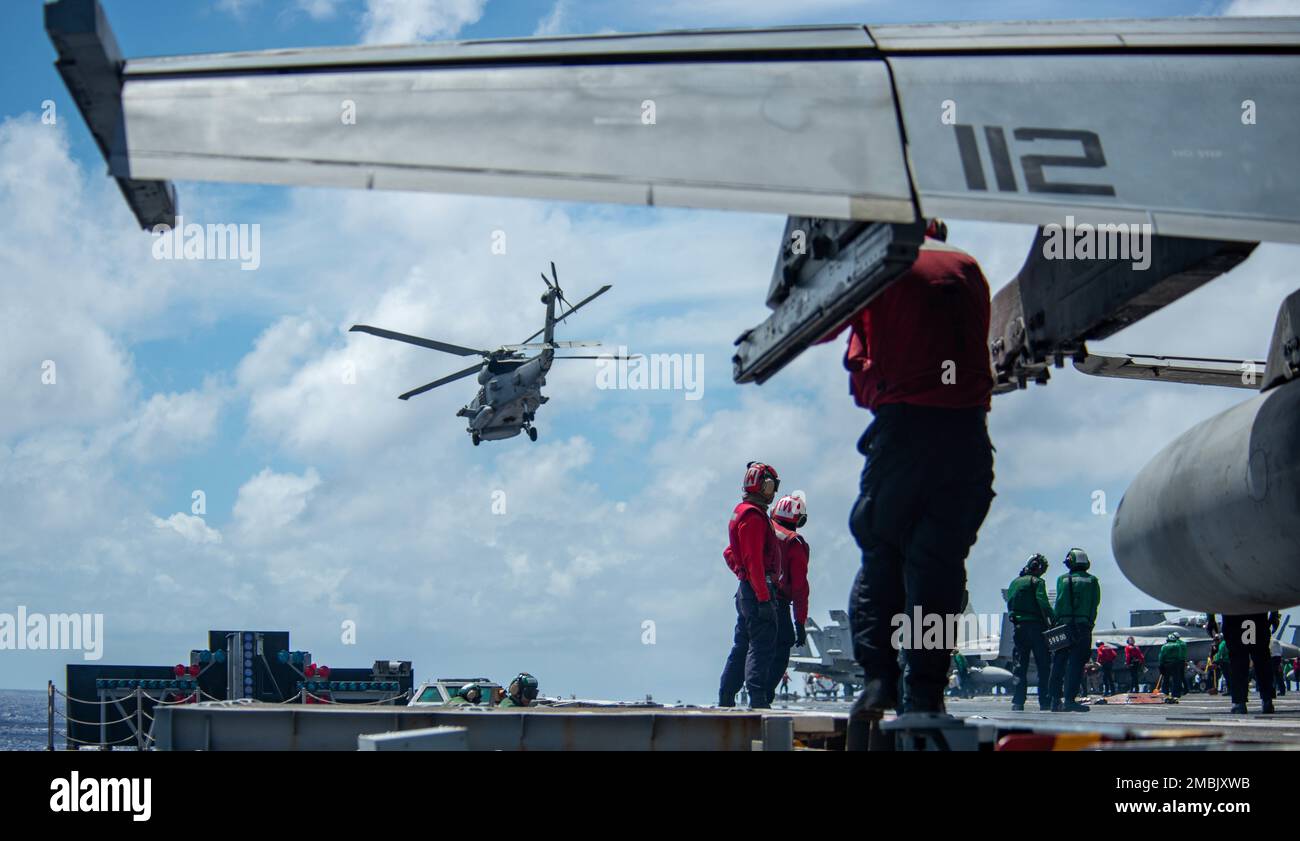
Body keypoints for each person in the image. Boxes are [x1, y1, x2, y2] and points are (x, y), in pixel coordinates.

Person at [817, 218, 996, 726]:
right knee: (938, 568)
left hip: (905, 432)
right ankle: (927, 694)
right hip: (968, 437)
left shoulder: (883, 263)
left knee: (882, 552)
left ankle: (879, 682)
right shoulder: (966, 267)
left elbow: (818, 321)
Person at [718, 462, 783, 709]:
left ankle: (726, 696)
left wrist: (742, 575)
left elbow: (731, 554)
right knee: (762, 646)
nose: (774, 491)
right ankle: (757, 700)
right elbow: (753, 560)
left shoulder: (743, 512)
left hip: (748, 589)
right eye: (773, 486)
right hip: (757, 591)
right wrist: (764, 596)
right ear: (764, 485)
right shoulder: (754, 517)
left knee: (742, 645)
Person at [765, 492, 811, 705]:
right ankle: (763, 696)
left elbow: (730, 553)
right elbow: (800, 587)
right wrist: (800, 623)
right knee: (784, 644)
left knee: (749, 645)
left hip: (751, 595)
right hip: (779, 602)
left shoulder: (763, 528)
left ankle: (729, 696)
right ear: (798, 519)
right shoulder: (794, 542)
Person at [1046, 548, 1101, 712]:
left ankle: (1055, 701)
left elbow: (1060, 603)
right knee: (1076, 665)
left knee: (1058, 663)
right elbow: (1094, 604)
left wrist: (1056, 623)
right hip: (1083, 626)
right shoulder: (1092, 581)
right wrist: (1090, 622)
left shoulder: (1062, 579)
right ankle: (1070, 700)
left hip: (1063, 625)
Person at [1005, 553, 1054, 711]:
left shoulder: (1014, 583)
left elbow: (1010, 604)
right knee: (1043, 665)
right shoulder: (1037, 582)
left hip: (1019, 628)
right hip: (1037, 628)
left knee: (1020, 666)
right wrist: (1053, 621)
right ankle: (1045, 702)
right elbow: (1043, 604)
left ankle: (1018, 701)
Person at [1209, 612, 1277, 714]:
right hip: (1258, 615)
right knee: (1262, 661)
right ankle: (1267, 701)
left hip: (1233, 618)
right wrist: (1274, 615)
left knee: (1238, 663)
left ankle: (1239, 703)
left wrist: (1210, 619)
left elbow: (1210, 596)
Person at [1158, 633, 1187, 700]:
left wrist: (1161, 665)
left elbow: (1161, 656)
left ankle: (1165, 693)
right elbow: (1179, 656)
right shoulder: (1178, 645)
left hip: (1166, 664)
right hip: (1176, 664)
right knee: (1176, 679)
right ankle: (1175, 694)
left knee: (1166, 680)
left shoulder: (1164, 646)